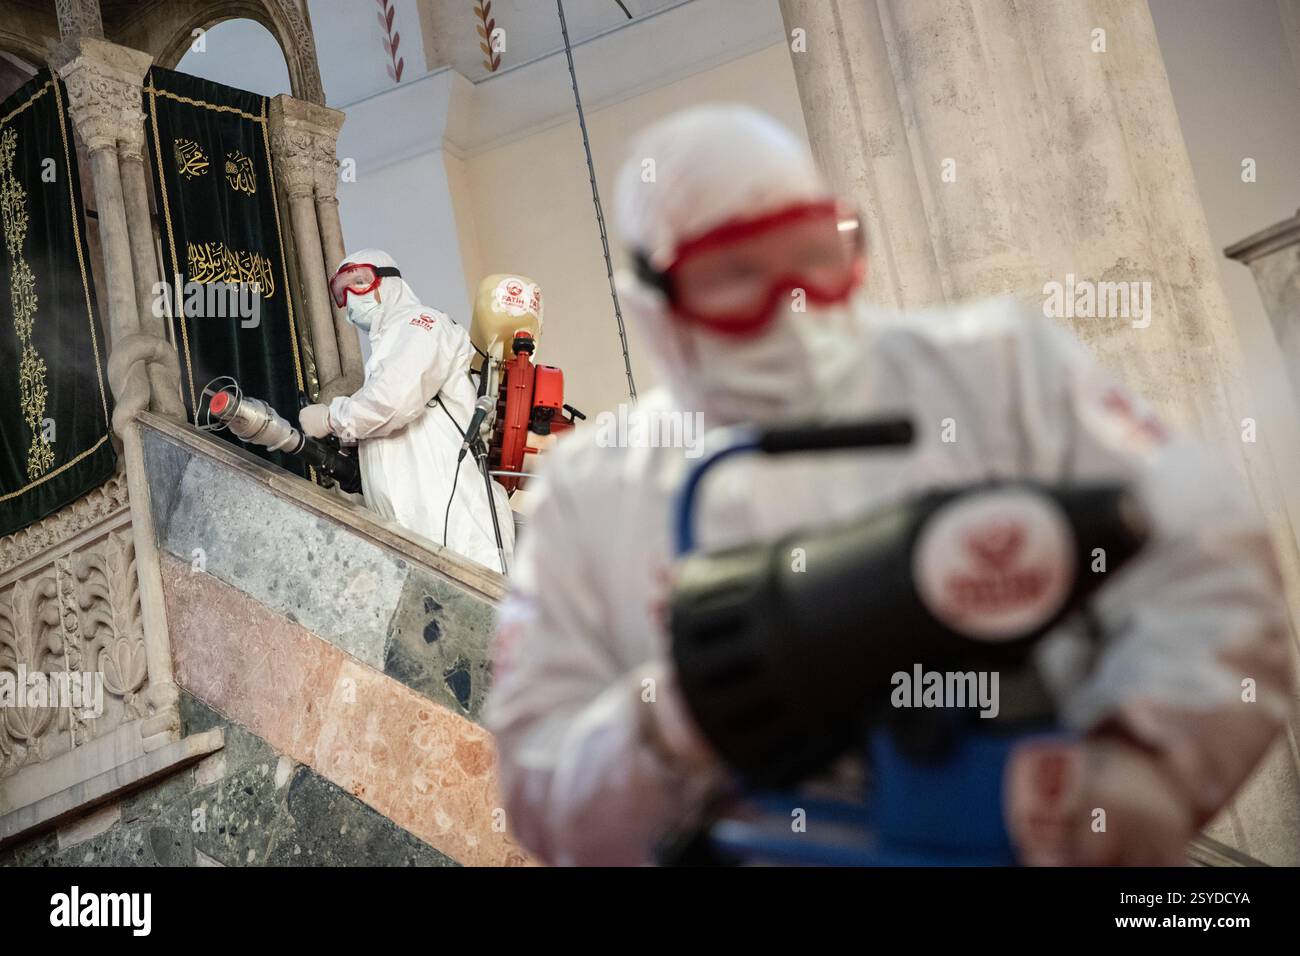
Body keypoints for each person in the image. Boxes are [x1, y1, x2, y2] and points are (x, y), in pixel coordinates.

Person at [482, 106, 1293, 866]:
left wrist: (1134, 777)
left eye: (816, 253)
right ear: (653, 308)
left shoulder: (1001, 369)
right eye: (735, 272)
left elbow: (1211, 570)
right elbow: (537, 784)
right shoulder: (588, 492)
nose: (793, 301)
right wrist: (671, 719)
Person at [299, 248, 515, 572]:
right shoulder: (387, 350)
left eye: (360, 282)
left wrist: (333, 417)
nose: (352, 300)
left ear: (390, 283)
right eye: (343, 294)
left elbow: (392, 401)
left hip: (459, 530)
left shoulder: (421, 324)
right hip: (420, 539)